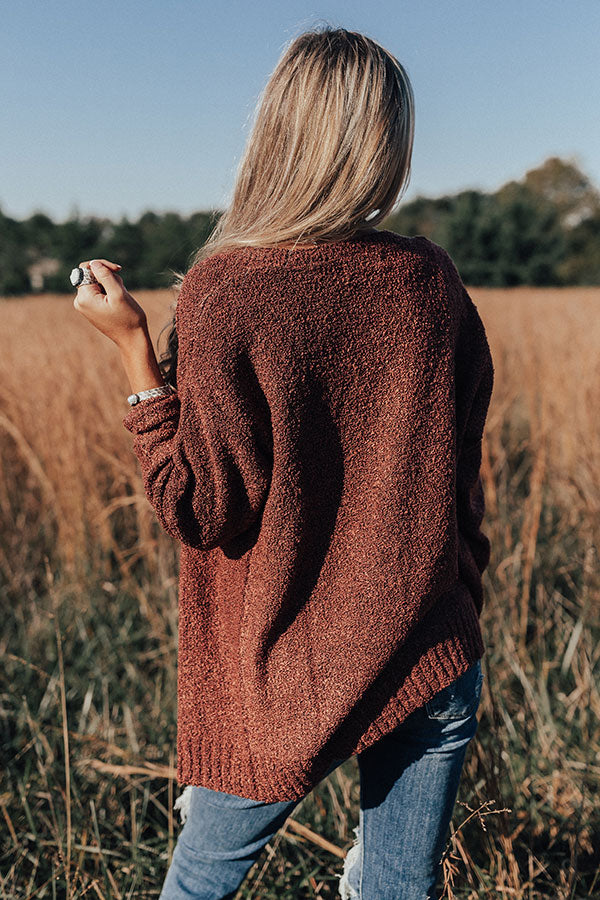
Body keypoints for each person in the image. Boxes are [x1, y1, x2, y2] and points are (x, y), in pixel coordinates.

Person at [73, 25, 494, 900]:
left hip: (281, 683)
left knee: (199, 887)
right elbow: (462, 474)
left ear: (278, 132)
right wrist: (462, 599)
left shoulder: (232, 287)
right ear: (385, 145)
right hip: (431, 648)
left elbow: (203, 509)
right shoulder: (432, 281)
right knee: (396, 892)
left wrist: (132, 351)